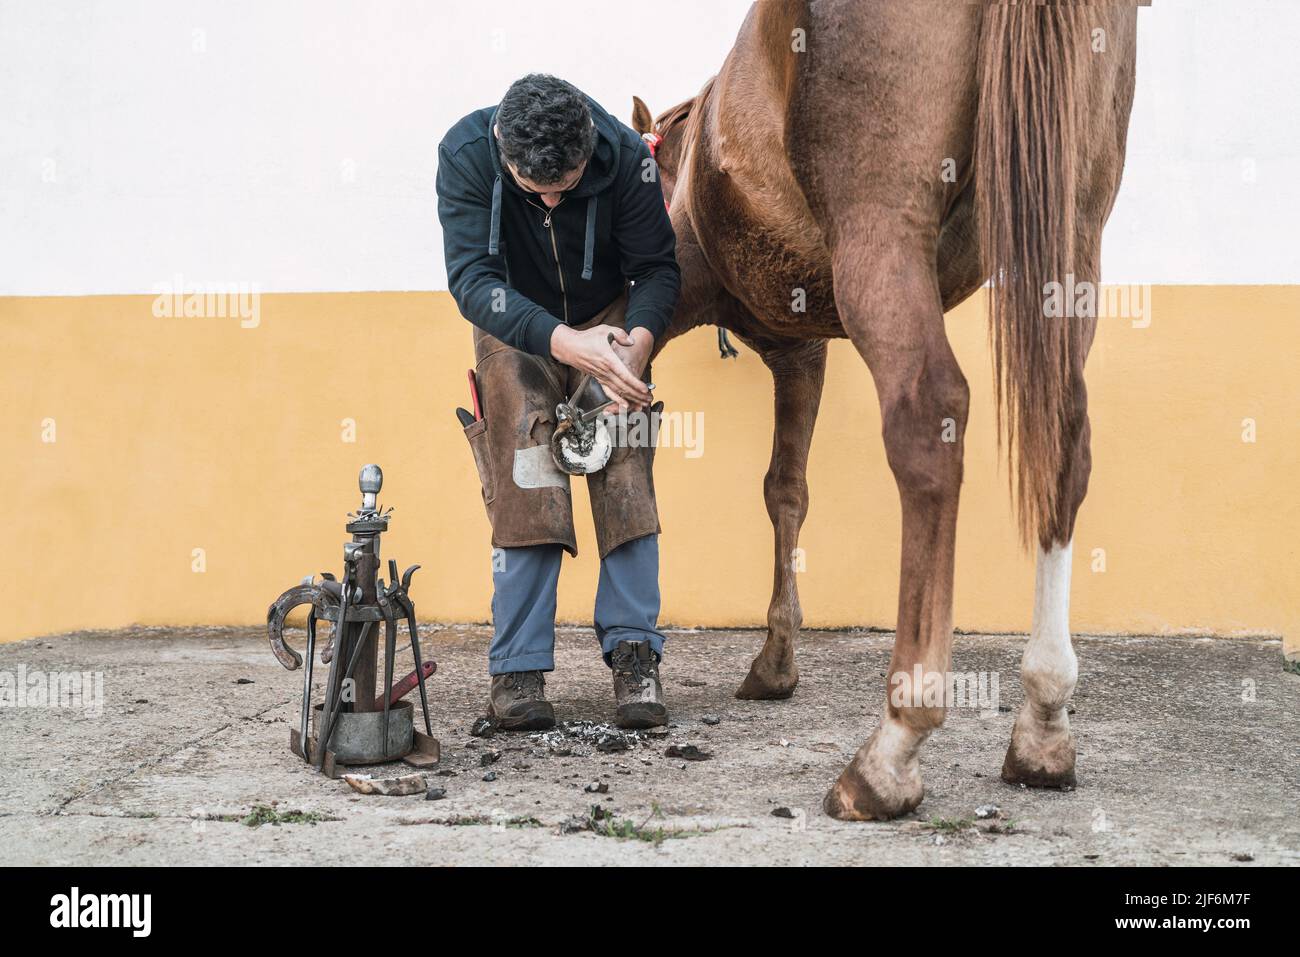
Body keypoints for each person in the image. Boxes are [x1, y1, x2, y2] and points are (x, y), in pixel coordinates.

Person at [436, 73, 680, 730]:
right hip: (512, 320)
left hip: (611, 320)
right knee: (528, 469)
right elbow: (471, 281)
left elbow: (658, 268)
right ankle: (517, 669)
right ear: (499, 145)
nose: (548, 197)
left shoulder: (626, 157)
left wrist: (638, 346)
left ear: (590, 147)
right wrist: (564, 342)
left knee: (622, 461)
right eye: (532, 187)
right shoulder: (463, 154)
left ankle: (636, 656)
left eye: (564, 188)